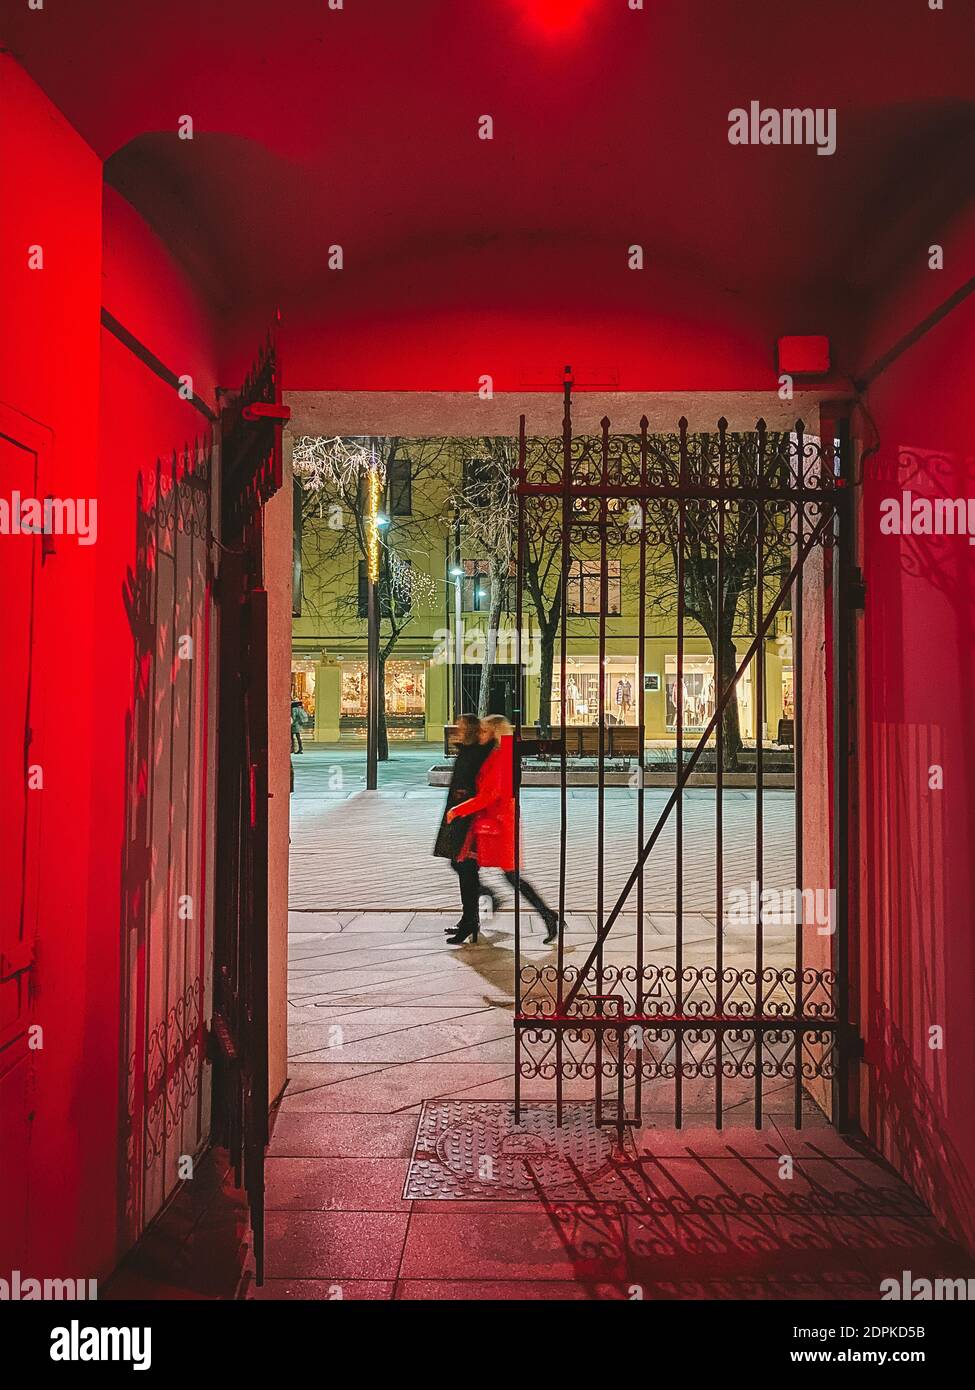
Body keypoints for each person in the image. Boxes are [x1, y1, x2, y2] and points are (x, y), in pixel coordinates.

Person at [447, 714, 560, 945]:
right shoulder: (500, 754)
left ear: (495, 731)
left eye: (486, 729)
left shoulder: (501, 757)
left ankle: (548, 915)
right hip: (495, 823)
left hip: (499, 826)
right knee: (500, 874)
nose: (482, 733)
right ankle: (546, 915)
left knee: (512, 876)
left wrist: (458, 810)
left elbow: (490, 795)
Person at [433, 714, 495, 941]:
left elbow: (475, 787)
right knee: (462, 867)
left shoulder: (477, 753)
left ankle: (471, 919)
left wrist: (460, 807)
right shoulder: (467, 751)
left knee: (465, 868)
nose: (456, 730)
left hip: (467, 820)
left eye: (460, 727)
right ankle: (470, 917)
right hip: (459, 817)